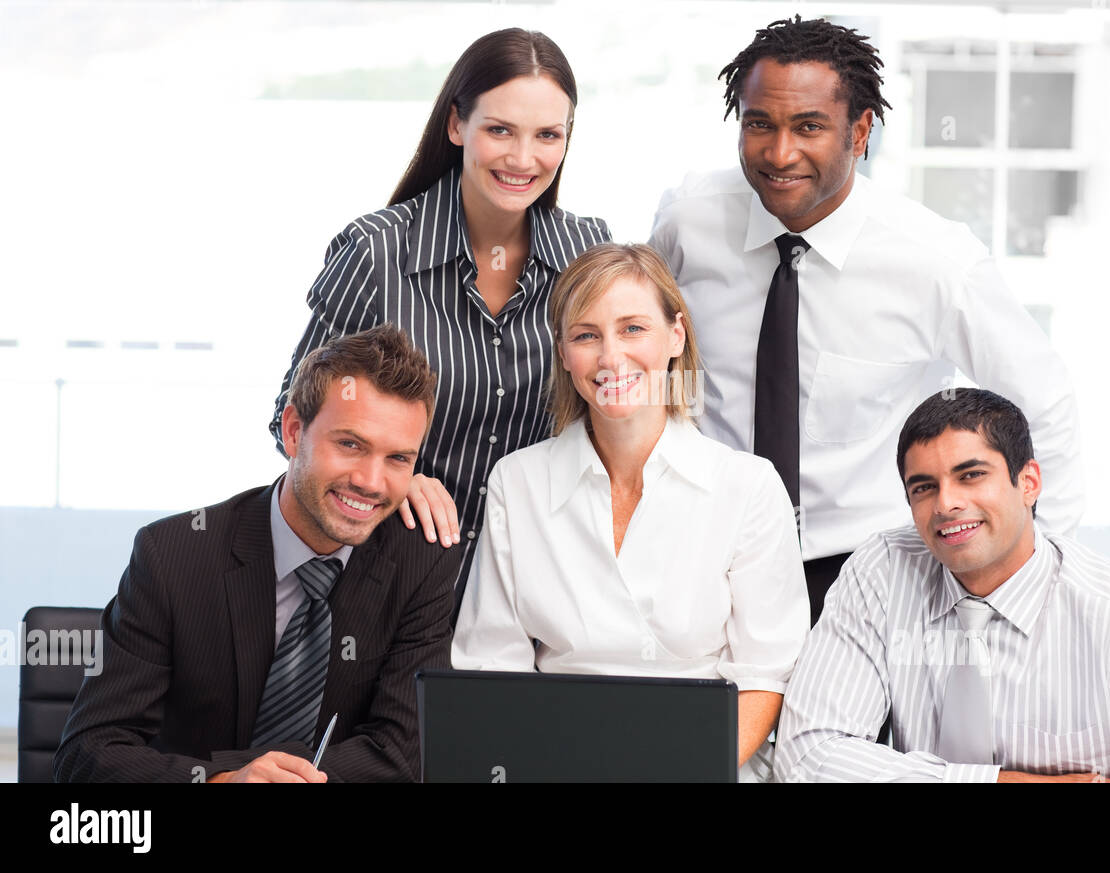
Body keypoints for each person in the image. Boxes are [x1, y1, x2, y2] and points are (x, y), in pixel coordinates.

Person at [648, 16, 1083, 623]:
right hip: (705, 557)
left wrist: (1025, 584)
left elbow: (1046, 407)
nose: (779, 153)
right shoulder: (688, 222)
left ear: (859, 132)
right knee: (701, 721)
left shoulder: (935, 260)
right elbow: (642, 355)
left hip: (866, 574)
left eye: (809, 127)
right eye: (759, 125)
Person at [774, 388, 1110, 782]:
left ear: (1029, 483)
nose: (946, 503)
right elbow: (808, 754)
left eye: (971, 475)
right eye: (924, 487)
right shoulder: (883, 572)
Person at [269, 28, 610, 605]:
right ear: (457, 125)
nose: (523, 159)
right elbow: (290, 419)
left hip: (532, 590)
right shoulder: (377, 252)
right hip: (386, 582)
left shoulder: (586, 255)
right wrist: (395, 479)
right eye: (499, 129)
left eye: (547, 135)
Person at [452, 243, 810, 780]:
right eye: (586, 335)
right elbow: (491, 667)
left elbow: (763, 679)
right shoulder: (518, 481)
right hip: (555, 764)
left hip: (703, 766)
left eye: (633, 329)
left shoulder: (747, 487)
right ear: (564, 352)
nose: (611, 357)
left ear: (676, 335)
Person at [56, 325, 459, 782]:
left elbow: (404, 754)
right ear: (292, 431)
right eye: (350, 444)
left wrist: (261, 777)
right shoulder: (173, 556)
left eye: (398, 459)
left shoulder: (420, 563)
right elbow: (88, 753)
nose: (370, 480)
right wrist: (225, 781)